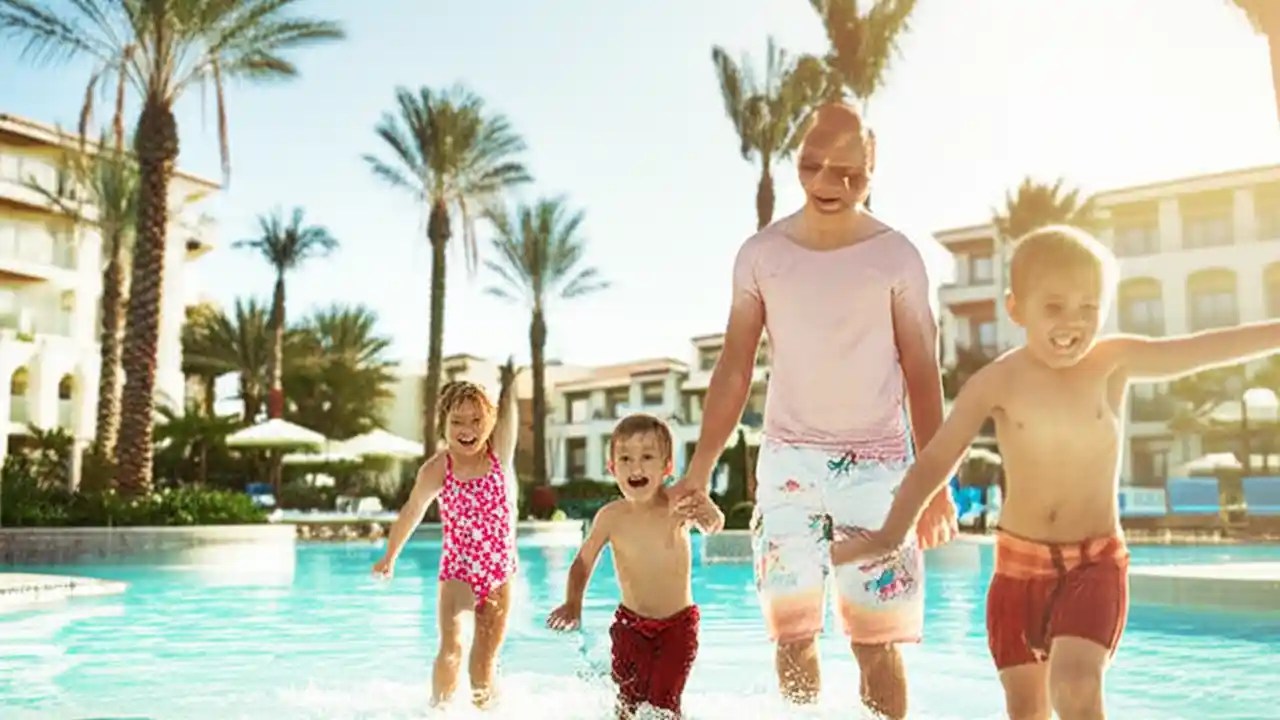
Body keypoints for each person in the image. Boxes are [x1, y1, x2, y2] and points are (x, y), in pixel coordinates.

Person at [832, 225, 1280, 720]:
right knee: (1028, 711)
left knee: (1074, 685)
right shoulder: (995, 381)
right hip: (1017, 572)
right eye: (1055, 306)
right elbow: (937, 459)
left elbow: (1201, 348)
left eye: (1089, 307)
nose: (1073, 322)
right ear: (1015, 308)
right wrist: (889, 535)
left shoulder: (1113, 362)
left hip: (1094, 565)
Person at [670, 101, 957, 719]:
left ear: (873, 171)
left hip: (880, 472)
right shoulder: (761, 255)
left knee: (877, 644)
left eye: (849, 174)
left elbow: (922, 371)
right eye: (813, 166)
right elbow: (734, 369)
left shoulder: (896, 256)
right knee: (794, 634)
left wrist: (935, 486)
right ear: (796, 162)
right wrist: (700, 468)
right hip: (787, 470)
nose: (829, 184)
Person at [546, 414, 725, 719]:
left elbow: (713, 524)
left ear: (666, 467)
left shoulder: (675, 505)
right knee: (627, 706)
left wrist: (709, 515)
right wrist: (572, 603)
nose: (636, 467)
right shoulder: (610, 517)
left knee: (663, 705)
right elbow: (582, 562)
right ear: (612, 468)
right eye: (625, 459)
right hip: (631, 628)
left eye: (647, 457)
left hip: (677, 628)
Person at [372, 361, 519, 708]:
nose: (466, 429)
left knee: (483, 664)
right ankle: (437, 711)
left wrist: (508, 383)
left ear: (491, 423)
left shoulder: (500, 455)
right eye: (457, 422)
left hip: (499, 572)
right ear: (444, 425)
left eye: (476, 421)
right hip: (459, 570)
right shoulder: (438, 469)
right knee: (452, 646)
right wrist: (390, 556)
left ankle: (490, 713)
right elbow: (412, 511)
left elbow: (508, 409)